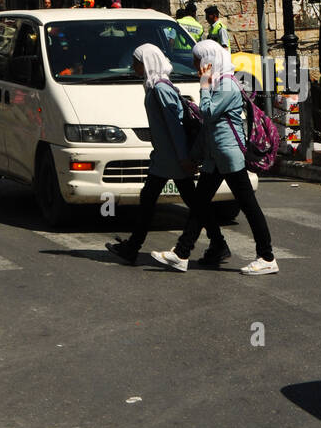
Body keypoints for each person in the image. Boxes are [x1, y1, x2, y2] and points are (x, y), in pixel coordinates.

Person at [151, 41, 278, 275]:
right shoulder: (219, 82)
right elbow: (207, 129)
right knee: (199, 205)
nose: (194, 64)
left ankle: (267, 256)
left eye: (198, 60)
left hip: (228, 156)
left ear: (209, 61)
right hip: (215, 158)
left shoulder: (227, 84)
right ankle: (181, 253)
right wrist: (195, 154)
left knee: (249, 206)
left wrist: (203, 85)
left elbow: (207, 114)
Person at [106, 44, 230, 267]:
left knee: (174, 202)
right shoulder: (155, 87)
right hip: (165, 157)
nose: (132, 66)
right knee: (188, 203)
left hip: (172, 158)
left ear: (147, 64)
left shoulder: (160, 89)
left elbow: (175, 126)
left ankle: (133, 248)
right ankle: (217, 244)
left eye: (136, 62)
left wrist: (183, 157)